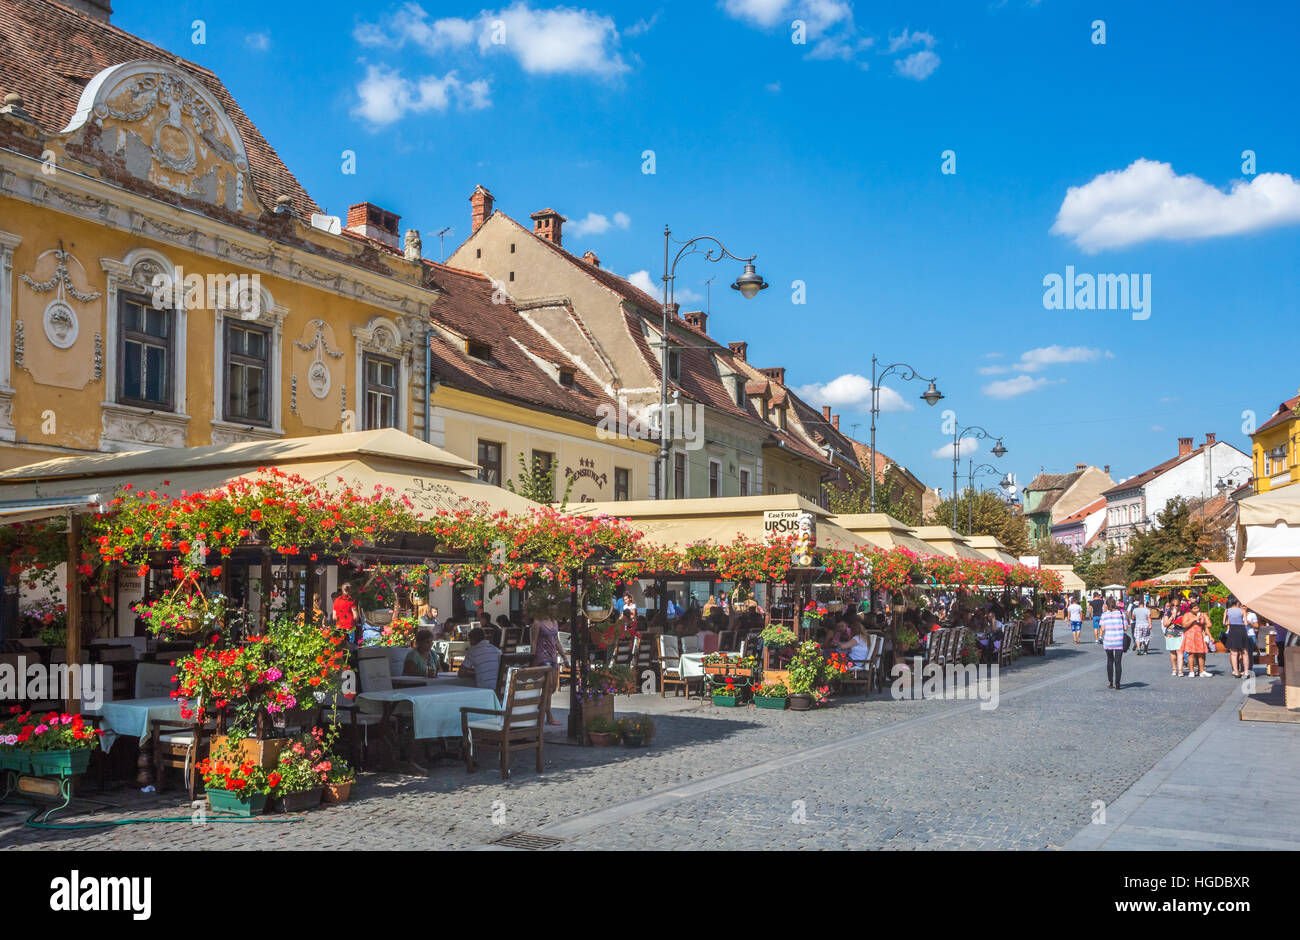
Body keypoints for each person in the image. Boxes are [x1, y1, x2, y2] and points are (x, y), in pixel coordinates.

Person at [530, 617, 569, 727]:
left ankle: (540, 709)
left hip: (553, 656)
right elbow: (534, 642)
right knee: (547, 686)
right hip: (542, 657)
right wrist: (532, 660)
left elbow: (556, 641)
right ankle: (547, 715)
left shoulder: (555, 622)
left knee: (552, 688)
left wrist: (564, 657)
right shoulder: (537, 623)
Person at [458, 626, 502, 690]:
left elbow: (461, 674)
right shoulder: (496, 650)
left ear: (472, 640)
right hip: (499, 687)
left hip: (485, 688)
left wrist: (474, 674)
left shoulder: (473, 650)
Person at [1100, 597, 1127, 690]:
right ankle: (1118, 683)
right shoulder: (1121, 613)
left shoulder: (1104, 615)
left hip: (1108, 640)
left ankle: (1110, 682)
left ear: (1106, 605)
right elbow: (1126, 628)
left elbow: (1103, 629)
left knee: (1110, 661)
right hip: (1119, 640)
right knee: (1118, 662)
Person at [1180, 603, 1212, 678]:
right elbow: (1184, 625)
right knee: (1191, 654)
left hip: (1199, 635)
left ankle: (1202, 671)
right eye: (1194, 608)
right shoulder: (1187, 615)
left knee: (1201, 653)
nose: (1197, 610)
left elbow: (1208, 625)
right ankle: (1191, 671)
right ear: (1191, 609)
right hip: (1190, 635)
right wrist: (1193, 620)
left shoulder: (1202, 615)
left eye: (1197, 608)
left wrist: (1205, 618)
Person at [1222, 598, 1249, 678]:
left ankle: (1236, 672)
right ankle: (1246, 672)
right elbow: (1246, 623)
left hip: (1233, 630)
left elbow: (1224, 623)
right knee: (1244, 652)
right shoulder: (1242, 610)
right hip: (1241, 630)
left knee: (1234, 653)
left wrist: (1229, 621)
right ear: (1237, 602)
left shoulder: (1227, 610)